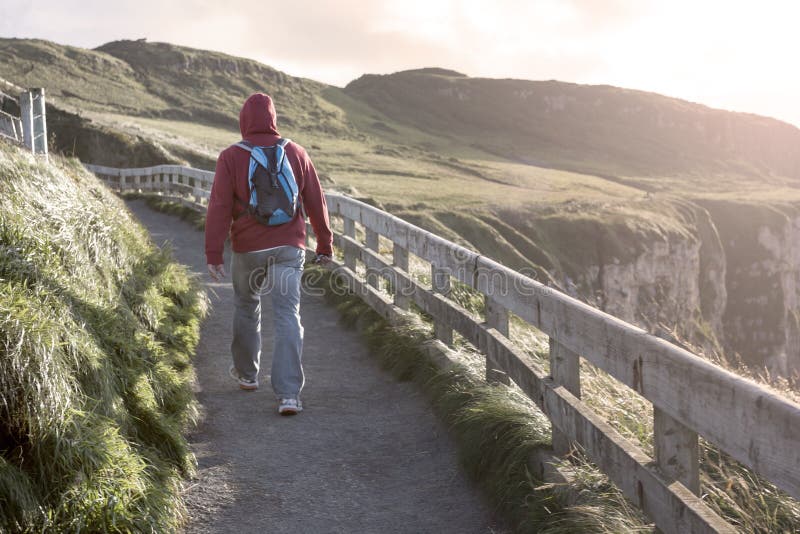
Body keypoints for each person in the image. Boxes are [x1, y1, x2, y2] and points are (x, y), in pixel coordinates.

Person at [205, 92, 333, 415]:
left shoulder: (231, 157)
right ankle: (289, 395)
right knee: (288, 315)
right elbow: (316, 201)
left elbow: (219, 208)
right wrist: (324, 242)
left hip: (248, 249)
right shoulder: (296, 152)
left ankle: (248, 375)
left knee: (247, 306)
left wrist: (214, 253)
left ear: (244, 120)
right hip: (290, 247)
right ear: (274, 118)